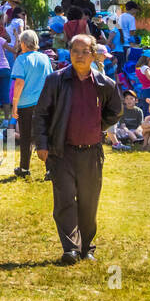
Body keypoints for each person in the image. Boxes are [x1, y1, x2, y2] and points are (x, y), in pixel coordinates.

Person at [33, 34, 123, 265]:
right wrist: (42, 144)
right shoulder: (56, 80)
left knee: (88, 202)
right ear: (69, 53)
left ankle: (87, 248)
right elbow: (41, 114)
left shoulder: (105, 84)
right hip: (61, 151)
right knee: (65, 200)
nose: (79, 56)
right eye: (75, 51)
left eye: (85, 51)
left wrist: (97, 126)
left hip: (91, 153)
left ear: (94, 54)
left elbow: (115, 111)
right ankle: (70, 249)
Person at [9, 30, 52, 177]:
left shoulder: (21, 60)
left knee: (25, 137)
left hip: (25, 104)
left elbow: (19, 83)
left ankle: (24, 168)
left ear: (23, 43)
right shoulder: (45, 58)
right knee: (45, 135)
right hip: (44, 103)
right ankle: (50, 168)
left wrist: (14, 104)